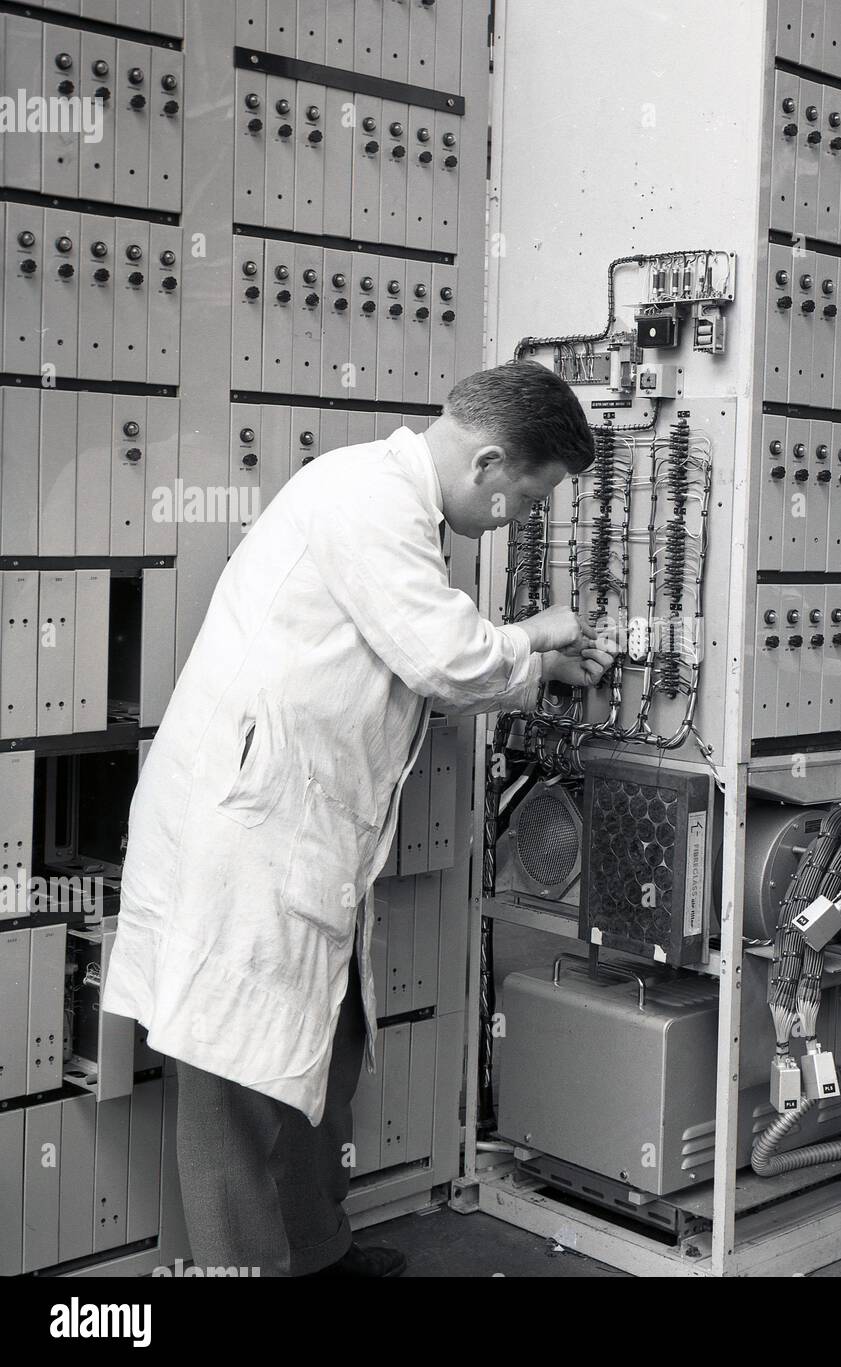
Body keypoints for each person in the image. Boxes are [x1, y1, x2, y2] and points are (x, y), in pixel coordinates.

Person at [103, 360, 611, 1277]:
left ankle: (318, 1255)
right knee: (235, 1083)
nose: (519, 521)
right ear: (490, 462)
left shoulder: (393, 506)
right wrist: (539, 635)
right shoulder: (368, 501)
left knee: (321, 1055)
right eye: (525, 501)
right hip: (243, 839)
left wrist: (532, 673)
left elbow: (418, 654)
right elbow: (445, 660)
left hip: (294, 839)